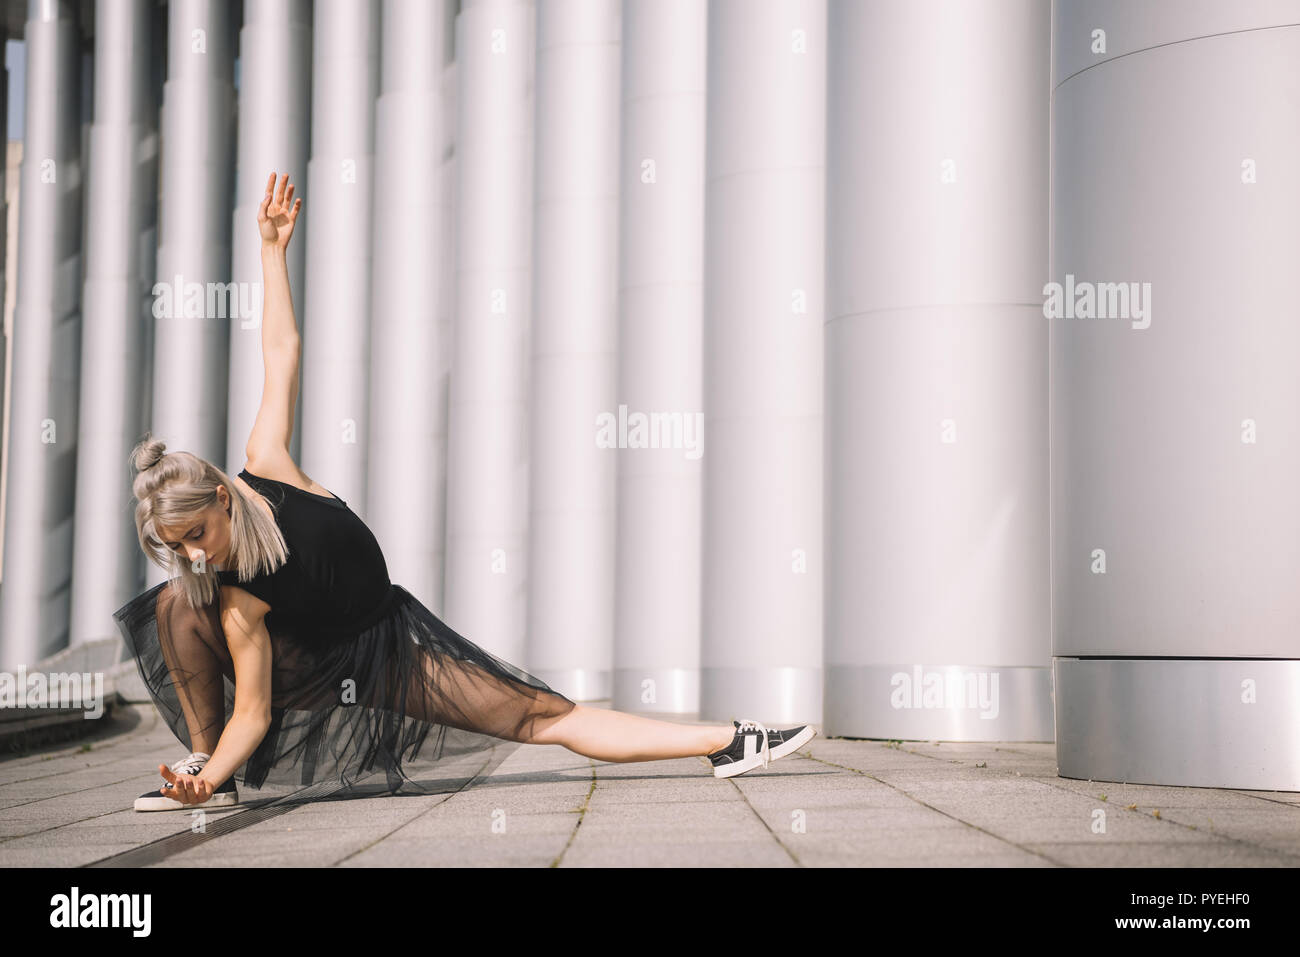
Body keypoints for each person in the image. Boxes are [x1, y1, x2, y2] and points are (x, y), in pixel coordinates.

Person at [115, 172, 815, 812]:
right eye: (177, 545)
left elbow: (281, 352)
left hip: (383, 645)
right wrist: (204, 784)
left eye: (196, 535)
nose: (196, 553)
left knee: (536, 713)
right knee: (180, 602)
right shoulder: (239, 597)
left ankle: (728, 740)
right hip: (310, 658)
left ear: (224, 496)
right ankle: (209, 768)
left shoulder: (265, 462)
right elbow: (255, 712)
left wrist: (272, 252)